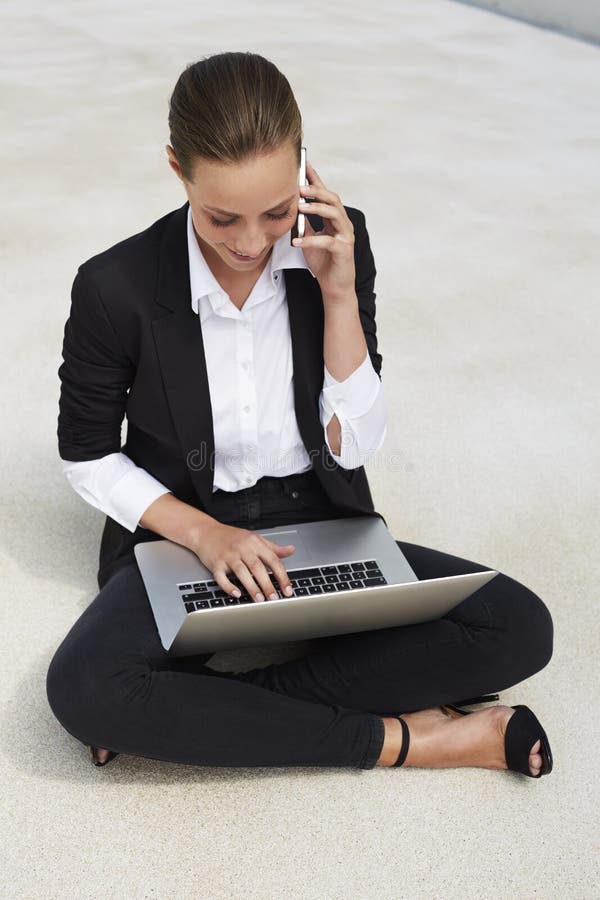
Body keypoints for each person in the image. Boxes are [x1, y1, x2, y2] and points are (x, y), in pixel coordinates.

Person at [46, 51, 554, 776]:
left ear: (304, 168)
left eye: (277, 211)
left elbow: (353, 448)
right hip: (188, 529)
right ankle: (418, 742)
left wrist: (339, 294)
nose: (253, 243)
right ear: (176, 169)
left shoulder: (340, 243)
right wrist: (206, 535)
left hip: (320, 518)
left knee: (517, 628)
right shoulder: (113, 286)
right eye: (222, 217)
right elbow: (87, 454)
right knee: (84, 689)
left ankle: (207, 709)